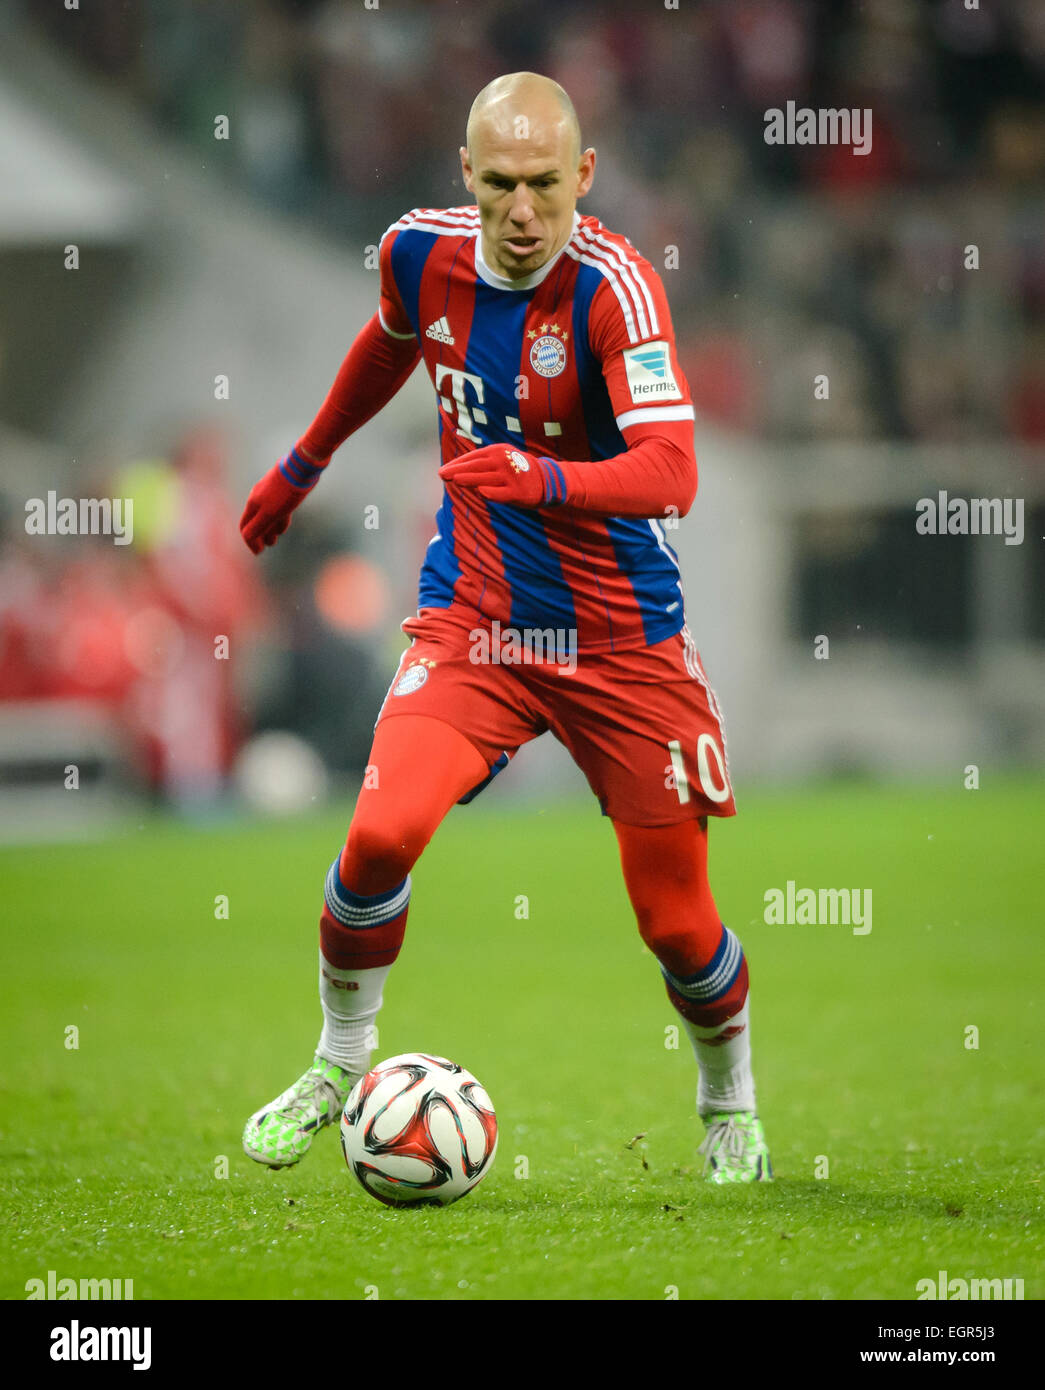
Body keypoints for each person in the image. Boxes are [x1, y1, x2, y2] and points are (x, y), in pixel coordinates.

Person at [238, 72, 771, 1184]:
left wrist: (541, 476)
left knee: (677, 925)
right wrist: (304, 461)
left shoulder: (616, 288)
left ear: (583, 176)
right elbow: (392, 339)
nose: (522, 212)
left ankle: (729, 1095)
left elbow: (673, 471)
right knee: (377, 838)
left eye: (543, 184)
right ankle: (340, 1059)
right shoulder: (415, 255)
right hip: (475, 622)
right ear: (464, 179)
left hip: (623, 644)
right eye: (498, 187)